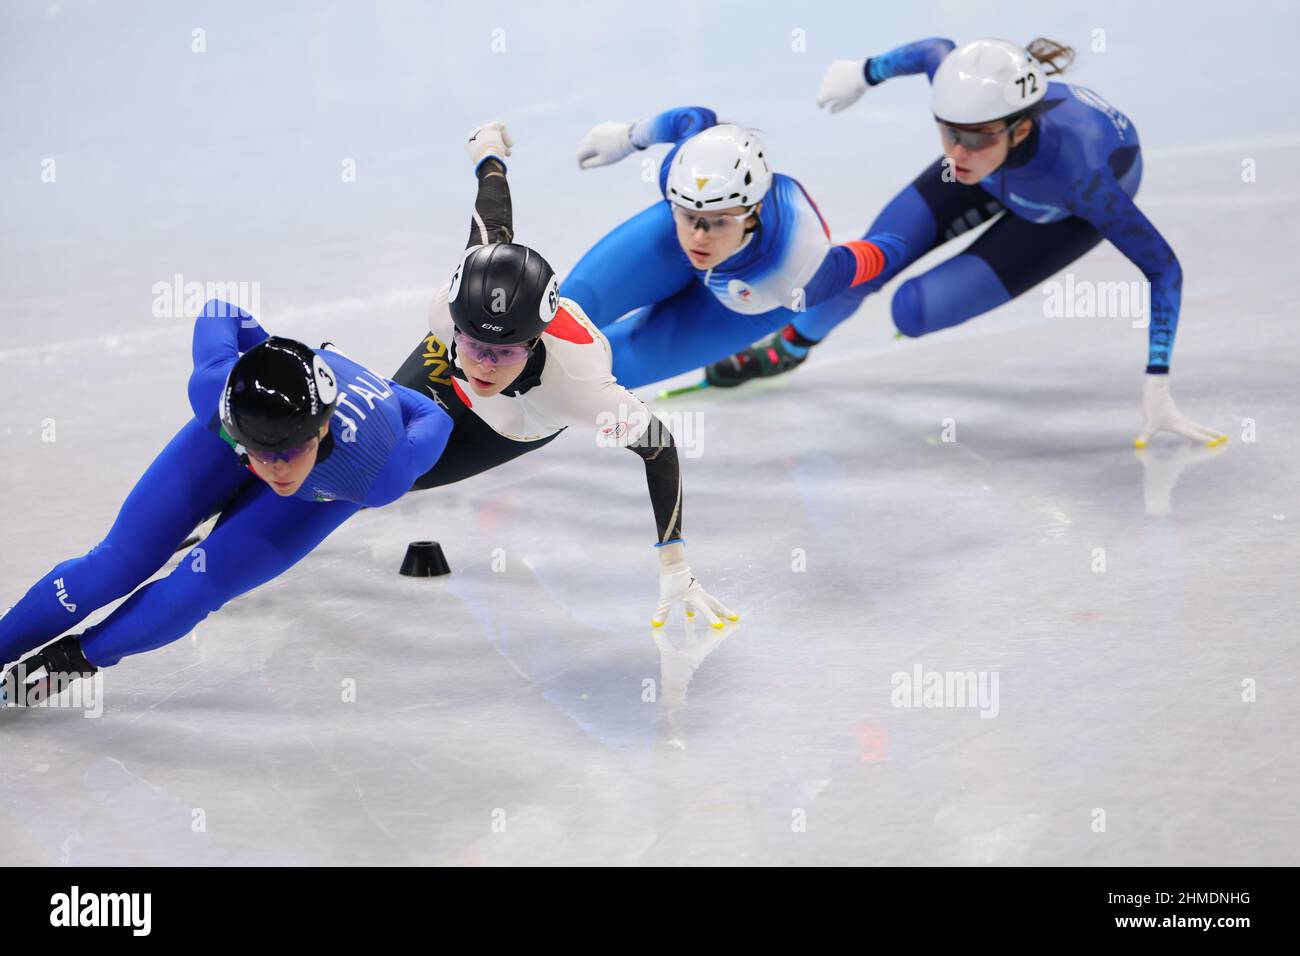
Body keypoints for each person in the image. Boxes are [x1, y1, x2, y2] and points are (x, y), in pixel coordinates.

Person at [707, 37, 1226, 449]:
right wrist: (864, 72)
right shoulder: (969, 132)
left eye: (975, 137)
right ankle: (791, 347)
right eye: (946, 131)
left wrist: (1158, 379)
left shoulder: (1084, 178)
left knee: (914, 312)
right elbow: (935, 50)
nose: (956, 152)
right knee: (867, 263)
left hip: (1058, 210)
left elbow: (1163, 269)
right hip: (1005, 176)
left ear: (1020, 130)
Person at [2, 308, 453, 705]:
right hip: (228, 442)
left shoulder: (377, 471)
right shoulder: (214, 391)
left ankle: (69, 662)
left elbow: (436, 417)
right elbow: (221, 308)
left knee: (197, 587)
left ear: (321, 431)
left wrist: (386, 388)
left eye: (291, 452)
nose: (275, 469)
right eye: (260, 453)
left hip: (324, 489)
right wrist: (267, 359)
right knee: (115, 564)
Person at [392, 122, 734, 629]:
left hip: (508, 423)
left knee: (383, 476)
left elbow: (658, 447)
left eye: (503, 351)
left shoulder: (578, 388)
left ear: (532, 343)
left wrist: (674, 560)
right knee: (363, 432)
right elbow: (493, 222)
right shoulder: (453, 308)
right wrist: (490, 155)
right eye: (475, 344)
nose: (485, 364)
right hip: (450, 368)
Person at [557, 108, 906, 388]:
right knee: (555, 319)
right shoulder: (682, 171)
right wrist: (629, 137)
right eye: (689, 216)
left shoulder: (800, 265)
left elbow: (872, 258)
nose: (699, 237)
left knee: (587, 377)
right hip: (671, 245)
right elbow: (693, 119)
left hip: (745, 301)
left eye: (719, 221)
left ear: (753, 213)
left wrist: (897, 245)